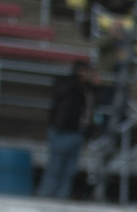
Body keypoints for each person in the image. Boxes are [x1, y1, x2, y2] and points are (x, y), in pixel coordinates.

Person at [37, 62, 94, 200]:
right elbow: (60, 93)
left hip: (77, 132)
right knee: (55, 166)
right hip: (62, 131)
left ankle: (62, 195)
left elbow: (93, 107)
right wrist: (76, 81)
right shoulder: (66, 82)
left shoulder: (88, 89)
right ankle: (46, 194)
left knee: (70, 169)